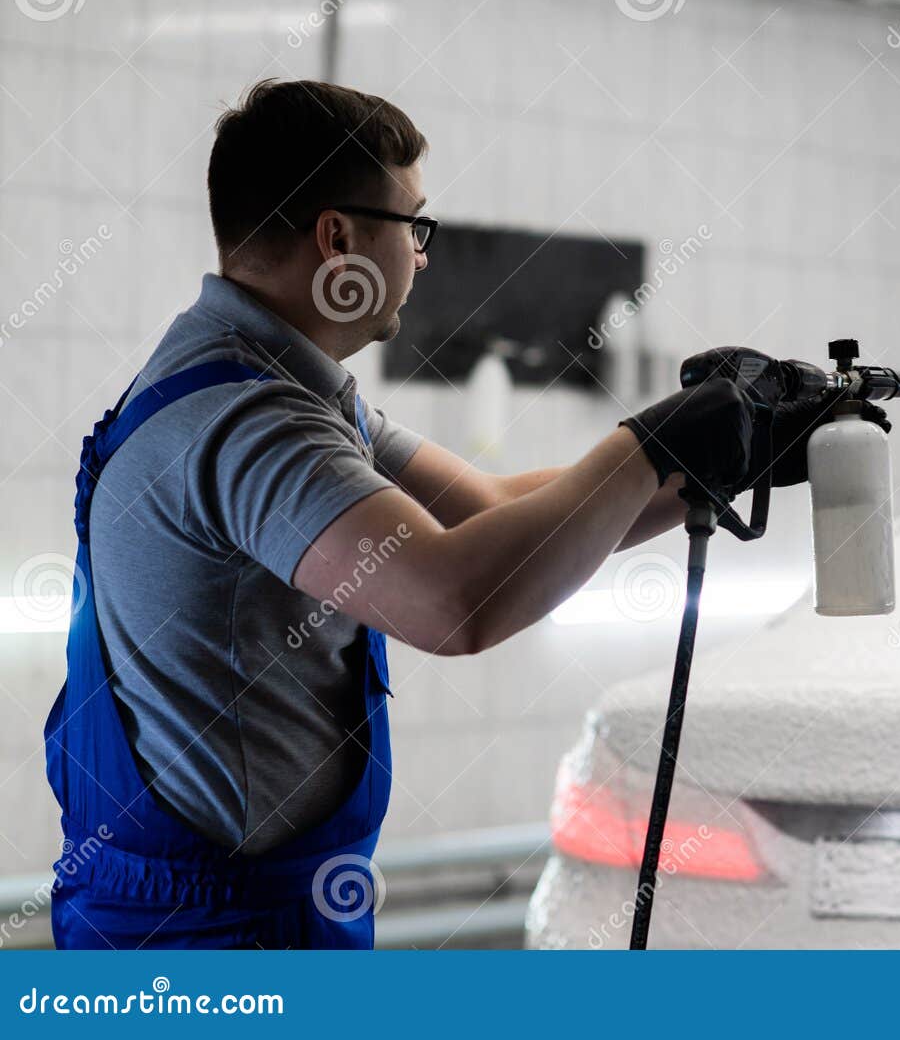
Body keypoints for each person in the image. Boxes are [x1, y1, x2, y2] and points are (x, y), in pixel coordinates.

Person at [45, 79, 839, 949]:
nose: (422, 257)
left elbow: (499, 509)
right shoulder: (252, 421)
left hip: (247, 915)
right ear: (338, 236)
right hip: (211, 937)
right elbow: (456, 598)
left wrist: (721, 460)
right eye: (413, 226)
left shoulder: (274, 386)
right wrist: (652, 440)